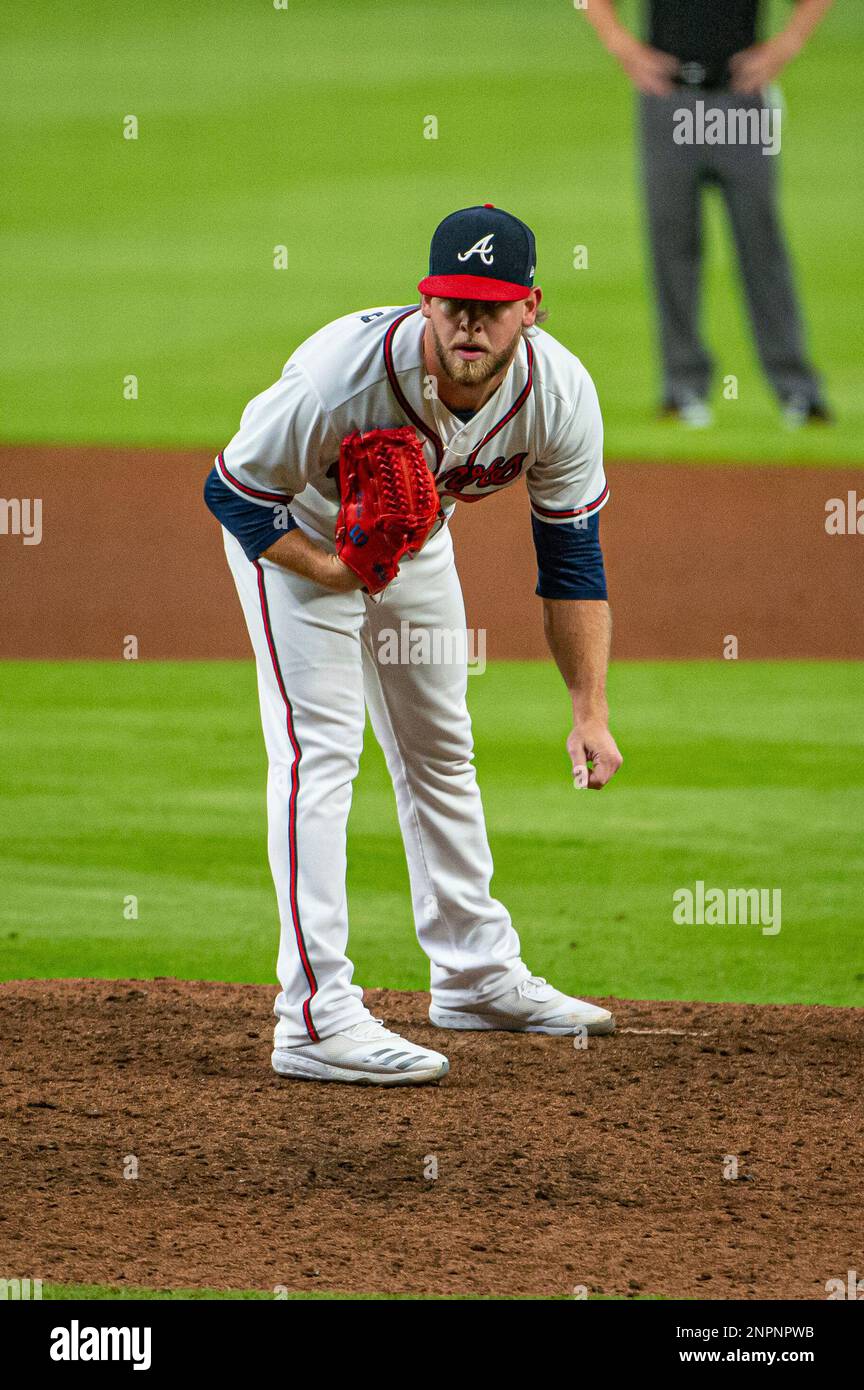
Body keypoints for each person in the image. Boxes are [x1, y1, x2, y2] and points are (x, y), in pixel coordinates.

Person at [204, 204, 622, 1087]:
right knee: (318, 755)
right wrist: (326, 568)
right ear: (425, 303)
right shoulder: (338, 378)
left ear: (532, 308)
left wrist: (589, 708)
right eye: (454, 304)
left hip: (414, 545)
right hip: (294, 539)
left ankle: (473, 973)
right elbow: (233, 492)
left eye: (492, 306)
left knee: (441, 747)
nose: (471, 324)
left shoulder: (560, 396)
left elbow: (572, 558)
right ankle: (313, 1018)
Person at [583, 0, 834, 427]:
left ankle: (796, 390)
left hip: (740, 97)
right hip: (668, 95)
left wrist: (786, 45)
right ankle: (682, 389)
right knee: (673, 244)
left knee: (761, 243)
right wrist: (621, 44)